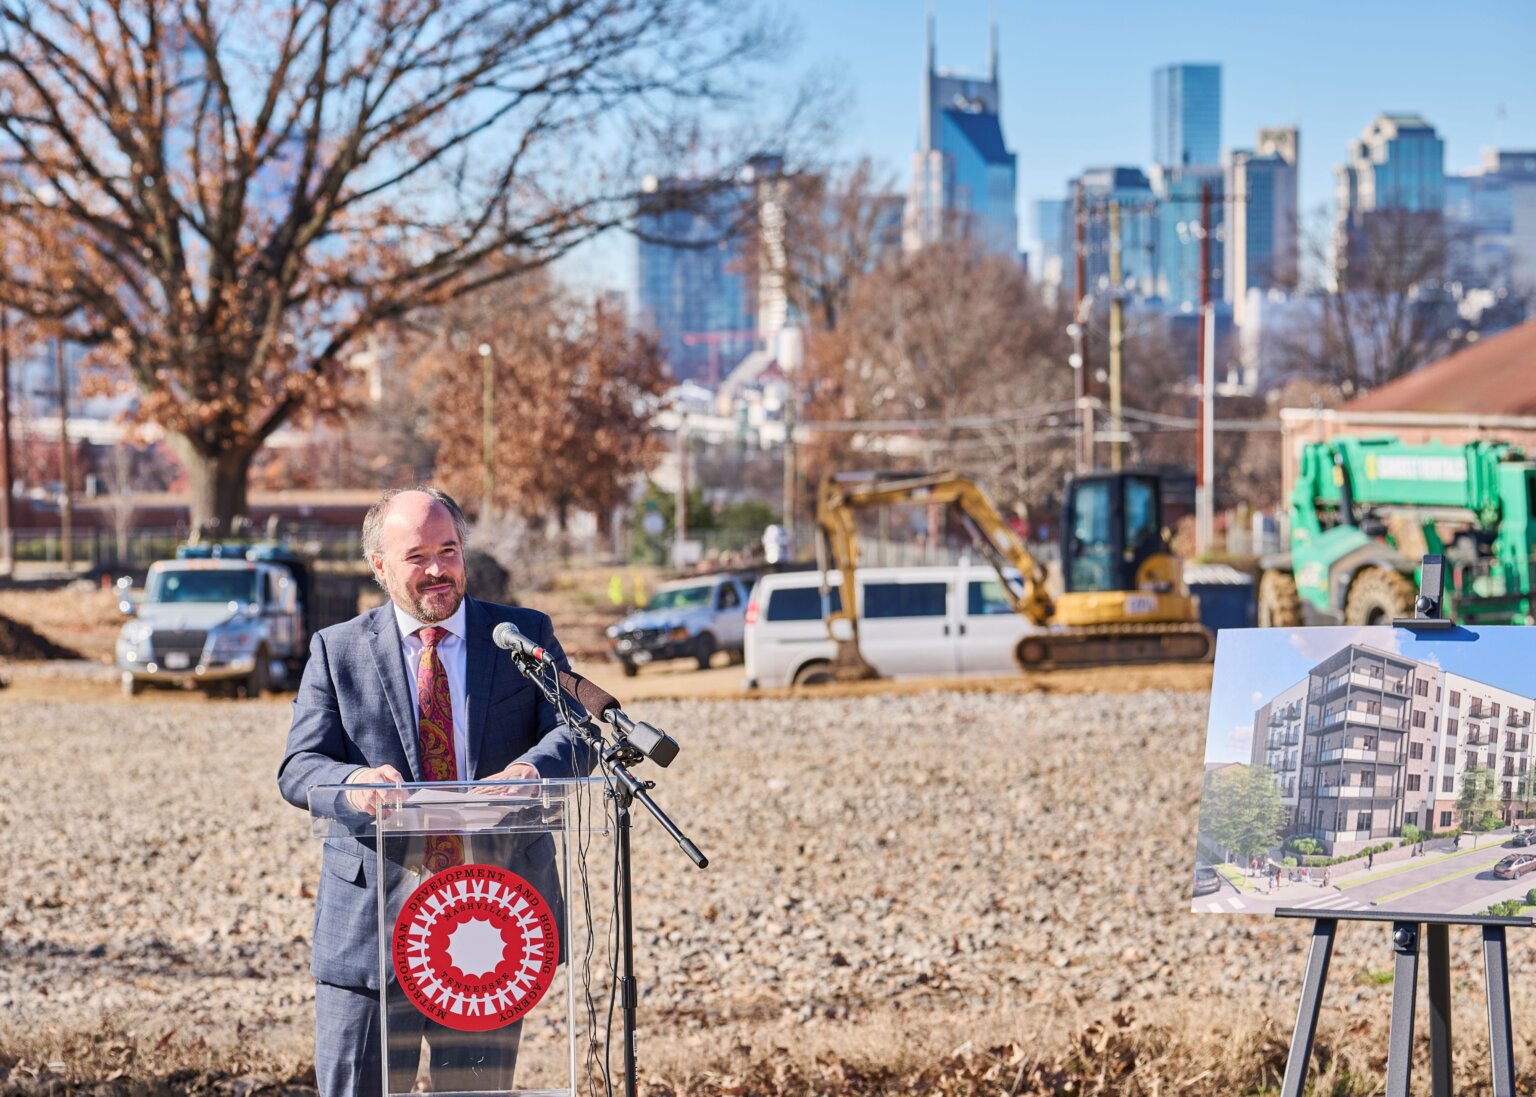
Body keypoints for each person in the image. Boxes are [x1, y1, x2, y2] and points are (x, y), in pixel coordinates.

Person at [278, 488, 592, 1097]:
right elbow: (299, 767)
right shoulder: (338, 650)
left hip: (490, 923)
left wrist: (531, 771)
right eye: (417, 557)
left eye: (448, 551)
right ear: (380, 566)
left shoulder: (520, 635)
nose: (437, 570)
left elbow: (576, 728)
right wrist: (354, 782)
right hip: (370, 932)